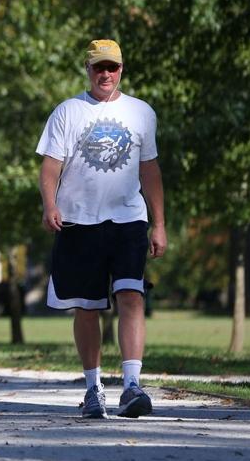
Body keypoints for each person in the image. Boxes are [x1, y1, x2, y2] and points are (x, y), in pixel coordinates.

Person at [36, 39, 166, 419]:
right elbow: (50, 167)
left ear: (122, 69)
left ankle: (131, 386)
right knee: (87, 307)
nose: (105, 74)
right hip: (79, 221)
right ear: (88, 69)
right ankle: (93, 388)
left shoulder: (142, 113)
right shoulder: (67, 112)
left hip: (128, 219)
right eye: (98, 68)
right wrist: (50, 204)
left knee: (132, 295)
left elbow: (150, 169)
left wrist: (159, 224)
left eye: (112, 67)